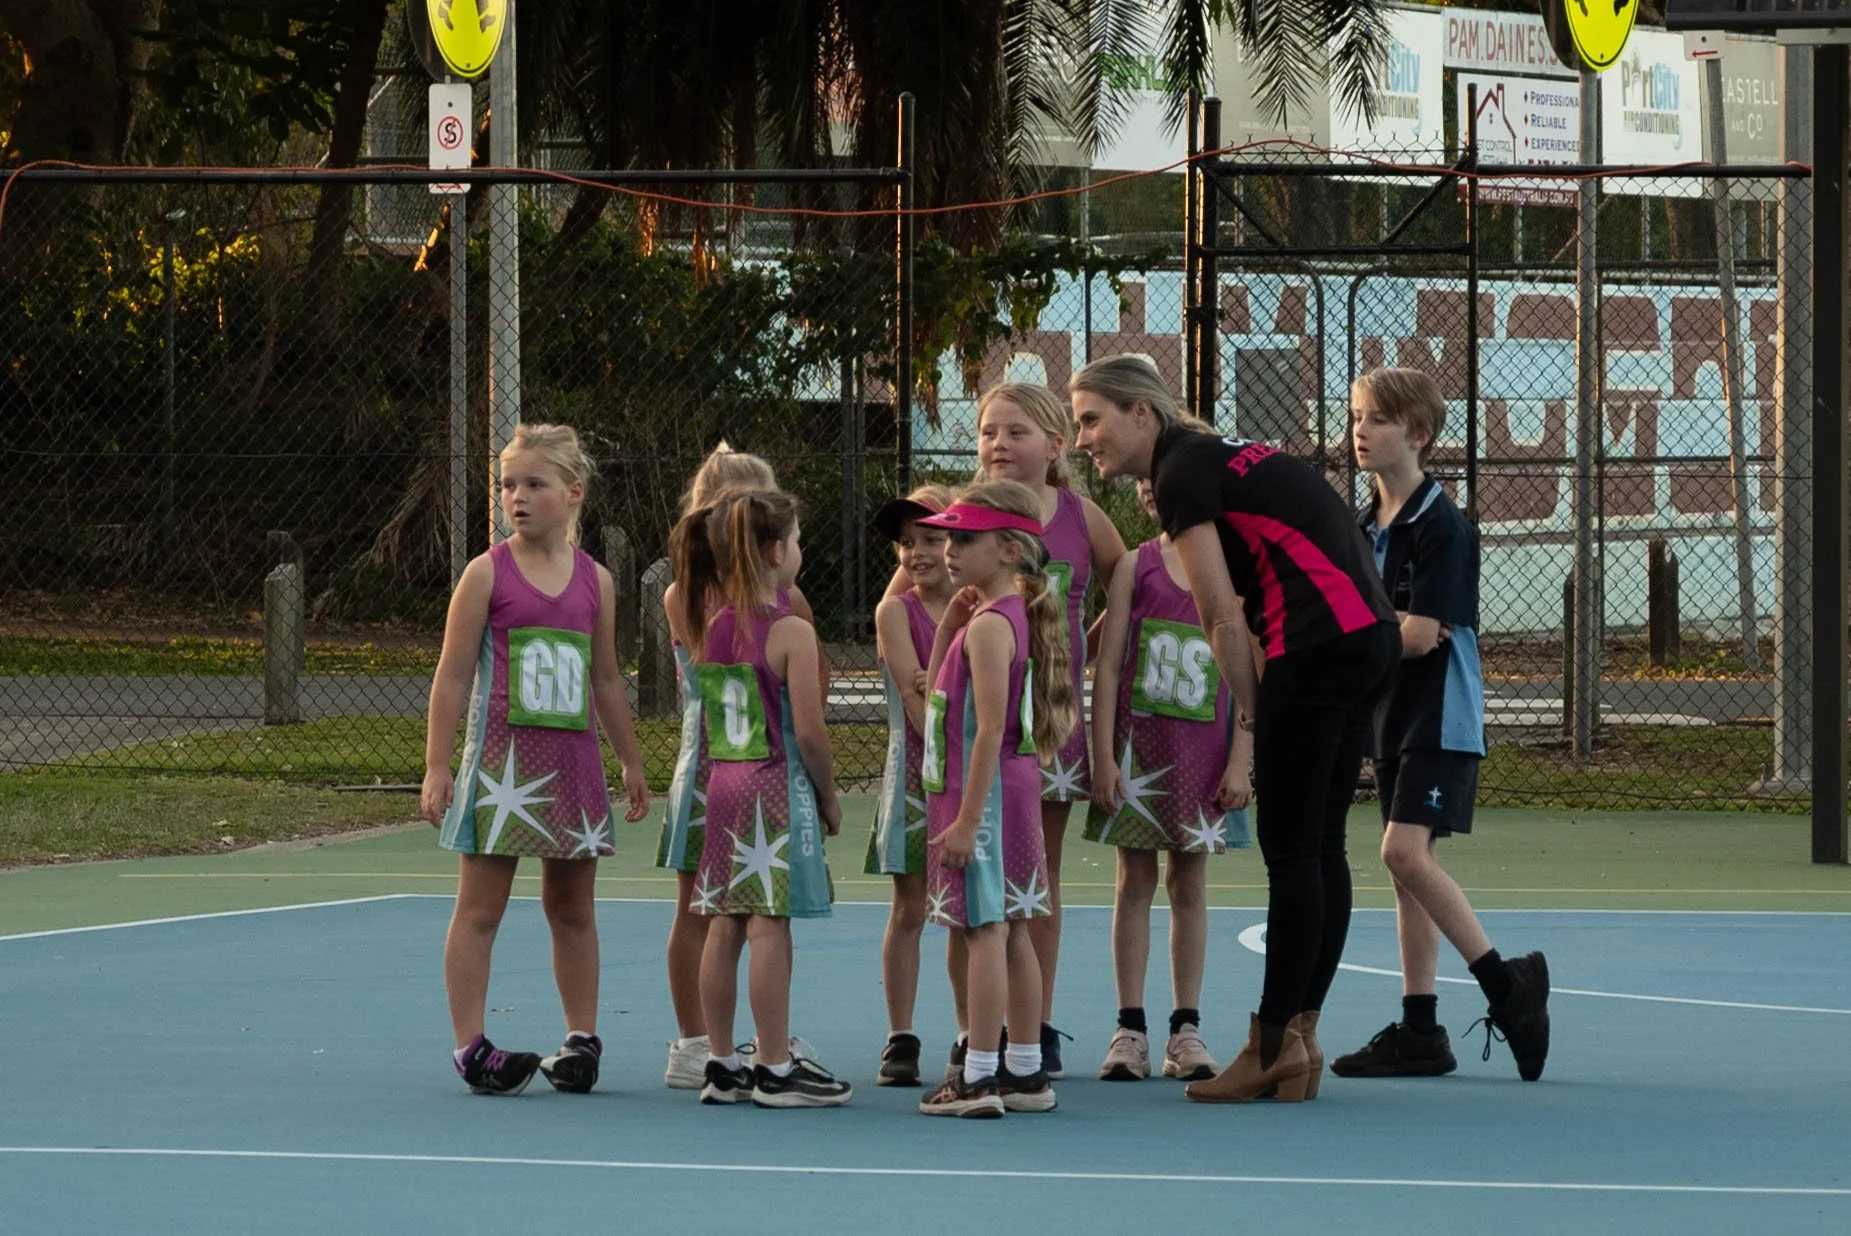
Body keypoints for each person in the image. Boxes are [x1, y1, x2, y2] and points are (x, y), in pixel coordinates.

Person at [1070, 355, 1398, 1104]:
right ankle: (1299, 1039)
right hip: (1366, 638)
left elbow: (1218, 615)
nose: (1082, 438)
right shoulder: (1217, 459)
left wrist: (1253, 715)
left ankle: (1272, 1045)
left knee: (1291, 854)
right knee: (1318, 846)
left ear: (1141, 413)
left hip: (1317, 649)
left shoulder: (1183, 471)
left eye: (1092, 418)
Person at [888, 384, 1124, 1078]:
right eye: (988, 430)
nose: (996, 443)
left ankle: (1032, 1030)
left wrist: (1091, 643)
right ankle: (979, 1035)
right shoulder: (964, 524)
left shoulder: (1081, 519)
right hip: (973, 732)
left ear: (1055, 444)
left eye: (1015, 431)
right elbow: (899, 602)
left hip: (1041, 726)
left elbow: (1133, 588)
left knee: (1033, 882)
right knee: (986, 894)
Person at [421, 423, 651, 1096]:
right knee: (480, 908)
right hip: (501, 772)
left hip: (572, 772)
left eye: (533, 484)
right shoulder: (485, 573)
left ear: (573, 492)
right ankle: (470, 1046)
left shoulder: (598, 583)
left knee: (572, 908)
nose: (515, 497)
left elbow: (606, 679)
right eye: (506, 485)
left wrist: (630, 762)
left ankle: (581, 1038)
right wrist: (439, 763)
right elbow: (453, 675)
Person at [1335, 368, 1550, 1082]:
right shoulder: (1363, 525)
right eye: (1356, 416)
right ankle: (1421, 1029)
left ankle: (1505, 984)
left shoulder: (1442, 526)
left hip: (1438, 716)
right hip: (1388, 717)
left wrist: (1337, 640)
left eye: (1376, 419)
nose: (1359, 430)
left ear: (1417, 434)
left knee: (1401, 855)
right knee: (1406, 875)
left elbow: (1422, 634)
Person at [668, 488, 851, 1109]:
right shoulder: (790, 630)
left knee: (722, 925)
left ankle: (721, 1063)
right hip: (774, 789)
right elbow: (808, 730)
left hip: (722, 786)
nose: (800, 551)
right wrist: (827, 795)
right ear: (776, 552)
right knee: (771, 928)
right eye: (797, 542)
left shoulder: (712, 623)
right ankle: (774, 1065)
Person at [915, 481, 1077, 1117]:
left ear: (1010, 548)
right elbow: (939, 692)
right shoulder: (1002, 616)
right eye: (948, 537)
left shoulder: (992, 627)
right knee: (1012, 933)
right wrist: (947, 625)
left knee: (985, 929)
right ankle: (1026, 1071)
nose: (951, 549)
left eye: (965, 538)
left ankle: (978, 1075)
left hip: (984, 798)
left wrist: (965, 819)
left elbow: (984, 727)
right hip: (1013, 790)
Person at [1086, 477, 1254, 1083]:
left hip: (1203, 757)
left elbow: (1246, 671)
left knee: (1189, 882)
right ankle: (1129, 1028)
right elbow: (1107, 668)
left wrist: (1242, 758)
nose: (1154, 490)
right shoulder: (1135, 566)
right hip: (1140, 758)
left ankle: (1187, 1029)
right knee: (1133, 878)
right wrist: (1103, 757)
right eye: (1146, 481)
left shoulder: (1230, 572)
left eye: (1168, 479)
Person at [865, 485, 956, 1086]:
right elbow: (913, 698)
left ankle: (972, 1035)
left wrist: (941, 688)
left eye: (929, 539)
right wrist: (943, 704)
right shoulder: (893, 613)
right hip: (915, 781)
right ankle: (901, 1037)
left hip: (970, 782)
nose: (916, 552)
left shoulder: (982, 609)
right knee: (909, 908)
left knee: (963, 913)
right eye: (906, 543)